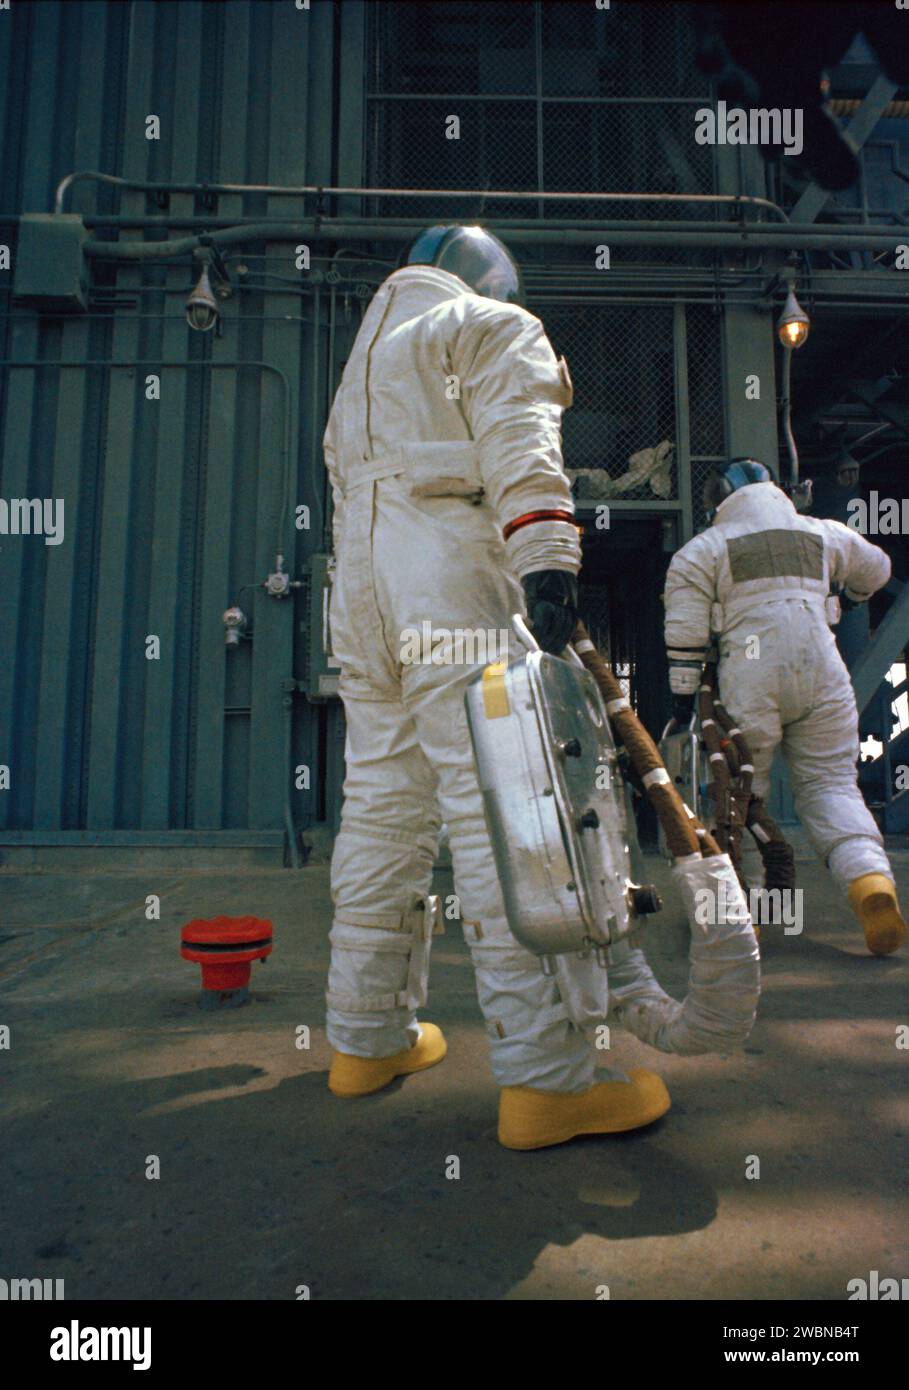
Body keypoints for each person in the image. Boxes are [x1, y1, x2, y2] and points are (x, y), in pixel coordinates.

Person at [321, 224, 670, 1148]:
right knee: (503, 813)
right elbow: (519, 436)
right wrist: (548, 557)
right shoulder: (488, 325)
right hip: (447, 574)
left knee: (383, 807)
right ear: (491, 279)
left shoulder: (362, 369)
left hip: (361, 596)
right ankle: (548, 1084)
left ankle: (365, 1041)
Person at [664, 457, 907, 955]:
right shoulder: (821, 533)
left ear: (718, 501)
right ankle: (870, 883)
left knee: (739, 798)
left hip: (751, 677)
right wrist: (852, 595)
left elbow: (686, 629)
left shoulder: (703, 549)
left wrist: (684, 692)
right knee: (831, 784)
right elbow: (878, 569)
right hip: (822, 671)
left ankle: (738, 917)